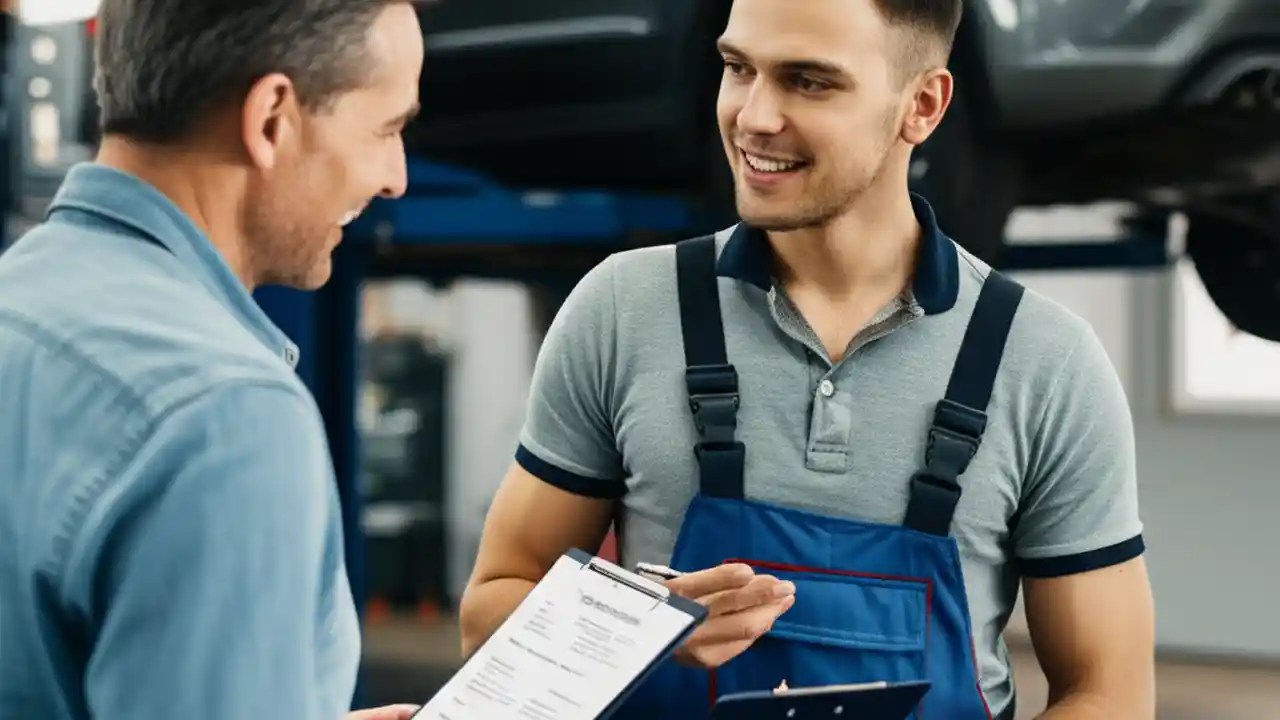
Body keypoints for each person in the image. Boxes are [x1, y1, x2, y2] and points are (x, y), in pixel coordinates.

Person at [458, 0, 1156, 718]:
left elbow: (1110, 692)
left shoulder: (1044, 361)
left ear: (921, 105)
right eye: (738, 68)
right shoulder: (623, 310)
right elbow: (492, 605)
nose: (754, 116)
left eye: (809, 82)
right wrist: (632, 626)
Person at [0, 1, 424, 718]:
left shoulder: (20, 303)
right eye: (386, 129)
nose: (396, 178)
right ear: (271, 119)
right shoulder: (227, 417)